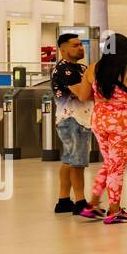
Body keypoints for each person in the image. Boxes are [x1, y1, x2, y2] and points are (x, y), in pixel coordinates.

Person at [70, 32, 127, 224]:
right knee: (116, 167)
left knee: (110, 163)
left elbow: (83, 97)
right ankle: (114, 210)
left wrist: (103, 96)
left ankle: (92, 205)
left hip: (99, 122)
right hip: (122, 125)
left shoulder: (93, 69)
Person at [51, 32, 93, 214]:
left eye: (81, 44)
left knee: (69, 159)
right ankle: (80, 202)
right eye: (75, 45)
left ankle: (63, 200)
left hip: (79, 118)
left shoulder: (82, 68)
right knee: (78, 162)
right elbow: (83, 93)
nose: (80, 47)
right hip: (72, 118)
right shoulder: (63, 69)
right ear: (63, 49)